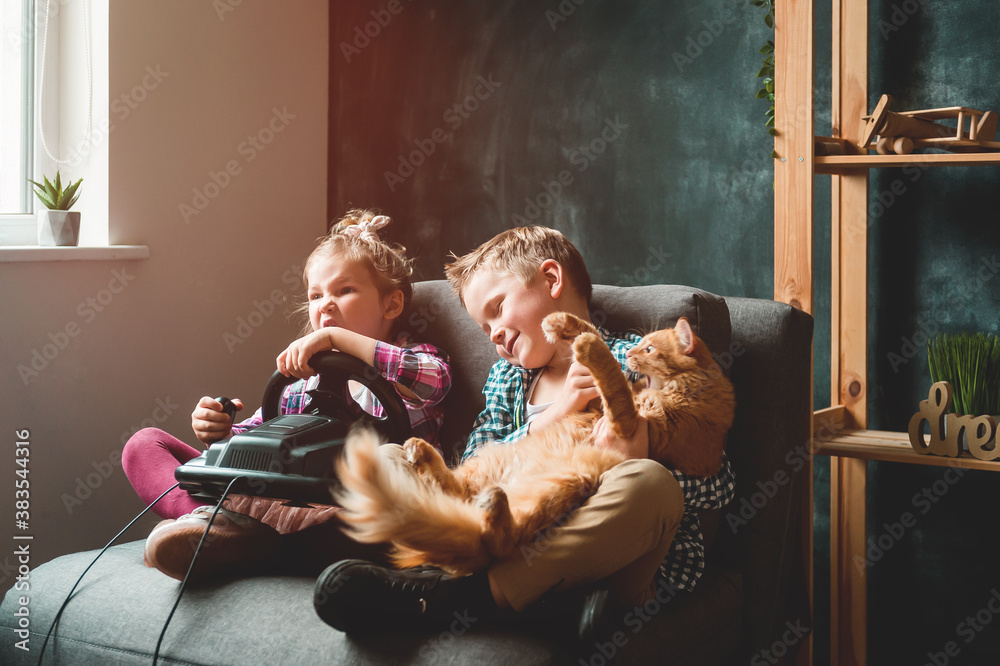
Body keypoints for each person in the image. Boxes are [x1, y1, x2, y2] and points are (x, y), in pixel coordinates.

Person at [314, 226, 736, 637]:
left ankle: (470, 595)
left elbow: (719, 486)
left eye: (497, 309)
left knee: (651, 483)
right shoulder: (506, 380)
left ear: (551, 279)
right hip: (500, 531)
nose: (494, 333)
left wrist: (643, 447)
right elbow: (475, 465)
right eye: (484, 328)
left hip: (609, 559)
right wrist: (556, 413)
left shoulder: (636, 358)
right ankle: (518, 601)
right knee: (394, 458)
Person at [122, 210, 451, 581]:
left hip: (356, 507)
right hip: (282, 496)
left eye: (345, 291)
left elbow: (432, 382)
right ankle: (215, 527)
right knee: (143, 444)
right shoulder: (300, 383)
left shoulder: (418, 359)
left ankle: (252, 538)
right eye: (315, 295)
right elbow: (254, 444)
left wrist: (336, 340)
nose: (325, 304)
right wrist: (220, 431)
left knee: (378, 503)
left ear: (391, 304)